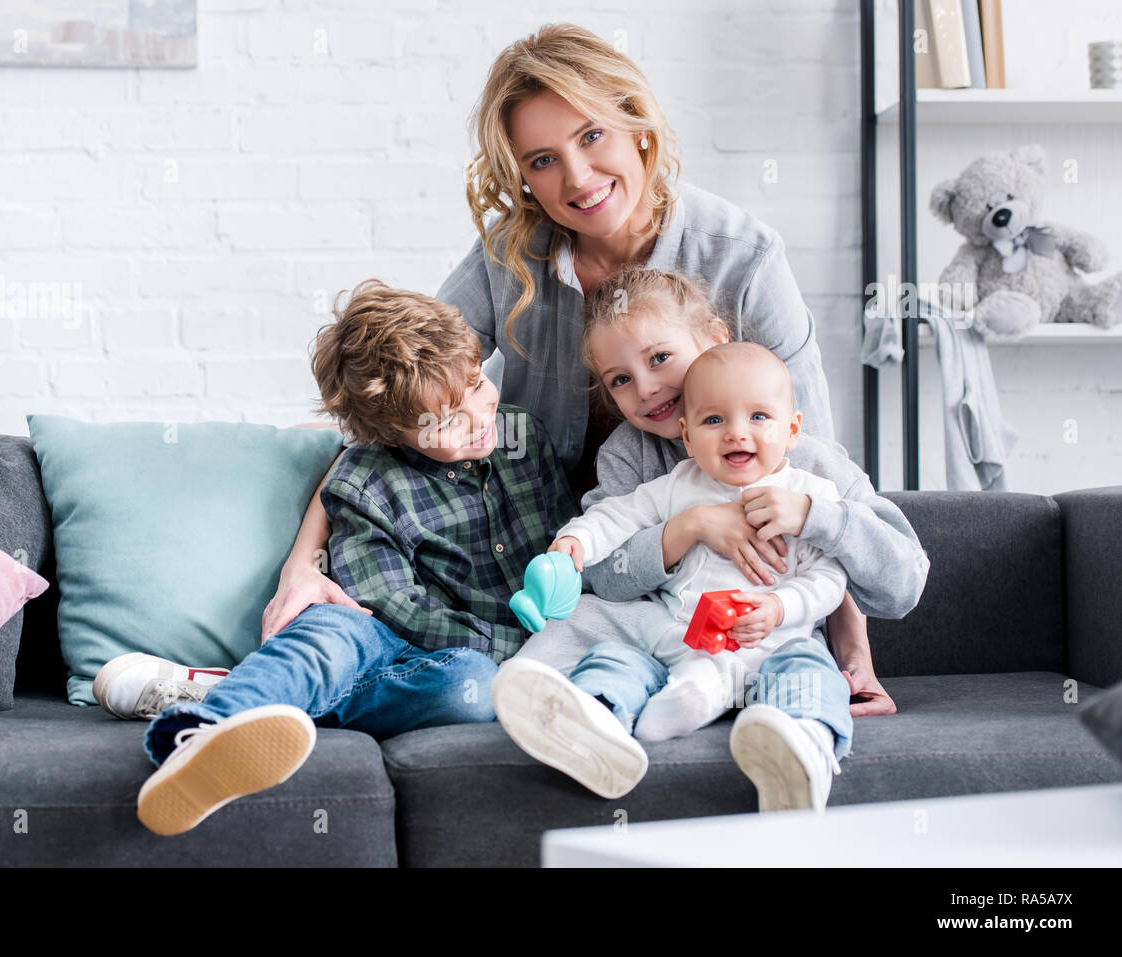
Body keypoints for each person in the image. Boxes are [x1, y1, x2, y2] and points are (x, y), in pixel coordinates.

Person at [260, 23, 899, 717]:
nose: (578, 178)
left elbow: (815, 461)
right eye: (542, 160)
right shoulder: (510, 257)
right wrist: (303, 562)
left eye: (592, 136)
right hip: (564, 560)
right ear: (522, 178)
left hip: (692, 568)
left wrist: (851, 650)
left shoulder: (741, 258)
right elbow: (408, 398)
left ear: (637, 125)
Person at [121, 279, 578, 835]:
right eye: (447, 421)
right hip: (384, 635)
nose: (480, 418)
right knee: (329, 630)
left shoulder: (524, 436)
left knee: (476, 691)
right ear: (389, 434)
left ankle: (246, 694)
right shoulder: (364, 480)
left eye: (479, 386)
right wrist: (525, 647)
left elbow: (566, 539)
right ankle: (200, 732)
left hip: (466, 665)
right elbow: (391, 604)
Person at [493, 269, 929, 811]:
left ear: (715, 339)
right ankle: (593, 724)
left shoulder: (808, 464)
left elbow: (901, 583)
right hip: (668, 645)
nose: (646, 388)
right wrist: (689, 527)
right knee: (613, 656)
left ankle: (800, 751)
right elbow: (603, 578)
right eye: (619, 379)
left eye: (658, 358)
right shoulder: (634, 457)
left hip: (772, 643)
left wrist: (820, 520)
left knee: (806, 675)